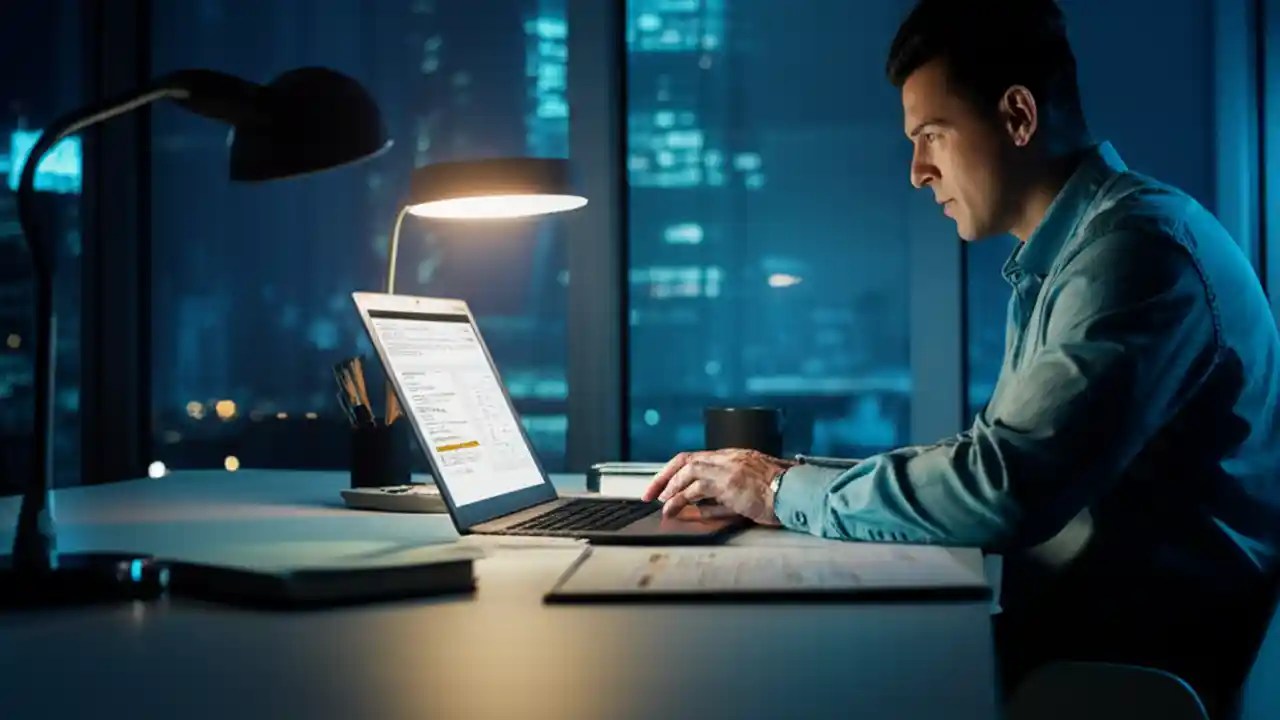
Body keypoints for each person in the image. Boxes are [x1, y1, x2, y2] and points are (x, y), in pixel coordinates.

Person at [642, 0, 1280, 715]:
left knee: (743, 675)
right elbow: (993, 460)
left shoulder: (1135, 256)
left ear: (1016, 116)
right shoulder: (1074, 258)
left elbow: (1003, 487)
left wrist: (777, 491)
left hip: (1123, 668)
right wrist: (785, 480)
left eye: (932, 136)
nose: (918, 171)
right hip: (1082, 635)